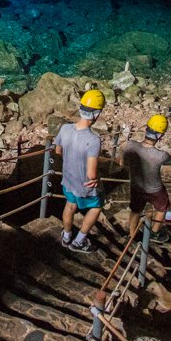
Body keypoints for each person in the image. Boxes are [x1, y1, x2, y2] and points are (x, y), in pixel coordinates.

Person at [54, 89, 106, 253]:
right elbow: (91, 174)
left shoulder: (65, 128)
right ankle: (79, 241)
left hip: (68, 180)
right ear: (96, 114)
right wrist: (98, 178)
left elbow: (58, 151)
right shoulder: (93, 140)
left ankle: (67, 236)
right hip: (84, 185)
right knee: (96, 208)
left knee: (70, 205)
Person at [122, 114, 171, 244]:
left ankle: (132, 235)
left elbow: (122, 162)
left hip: (136, 186)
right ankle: (154, 233)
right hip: (155, 189)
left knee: (135, 209)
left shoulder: (131, 145)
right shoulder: (161, 155)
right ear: (160, 136)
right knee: (162, 208)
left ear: (147, 129)